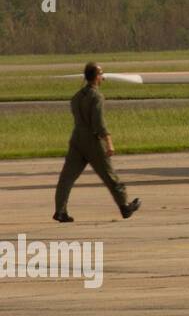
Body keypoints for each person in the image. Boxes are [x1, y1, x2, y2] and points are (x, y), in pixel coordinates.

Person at [53, 62, 141, 223]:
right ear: (96, 77)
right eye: (101, 75)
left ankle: (60, 210)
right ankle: (124, 206)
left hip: (77, 139)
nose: (103, 78)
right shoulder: (97, 97)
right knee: (109, 175)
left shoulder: (77, 97)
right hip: (92, 141)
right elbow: (99, 122)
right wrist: (108, 141)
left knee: (66, 178)